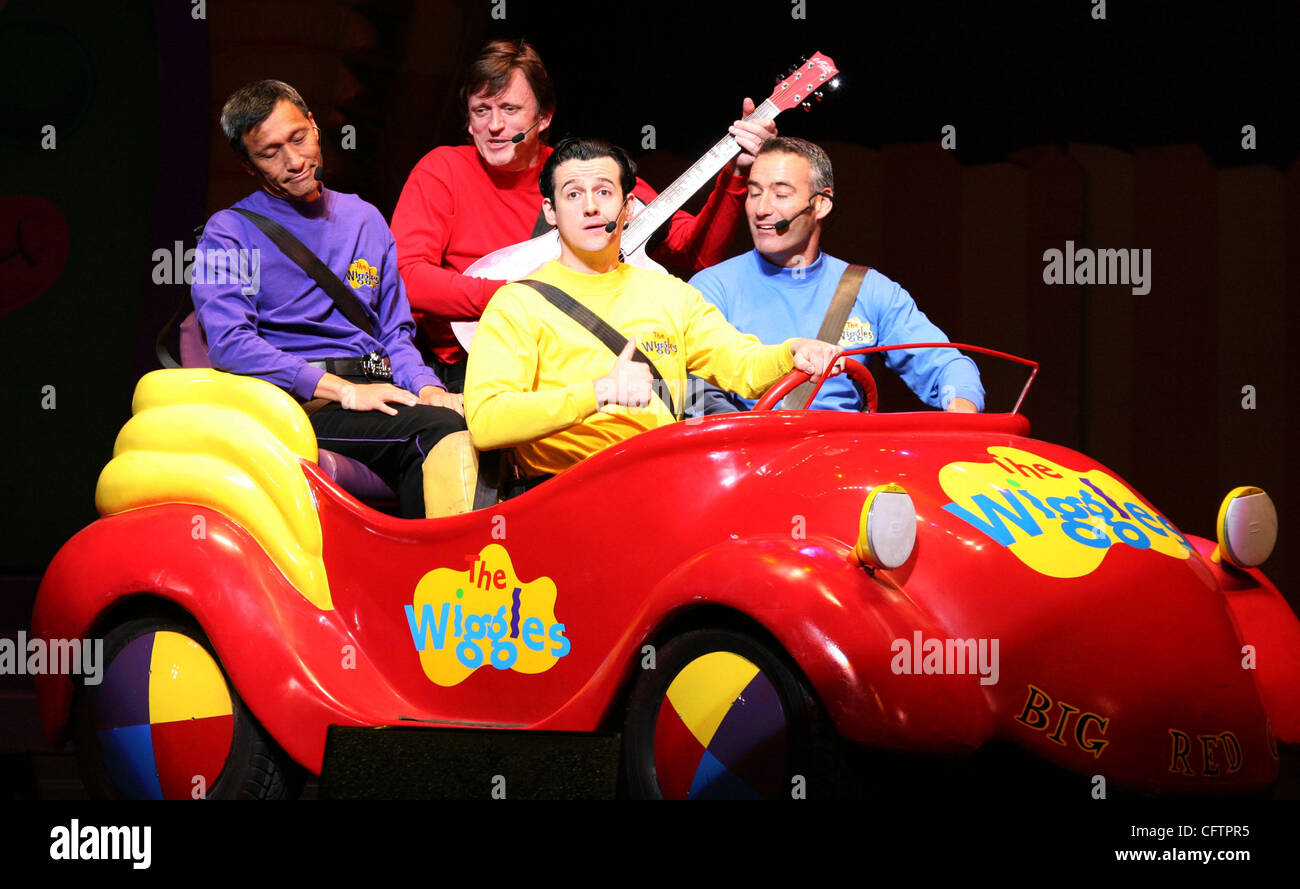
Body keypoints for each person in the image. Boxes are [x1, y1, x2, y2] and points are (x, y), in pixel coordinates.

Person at [390, 38, 778, 391]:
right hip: (475, 362)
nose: (493, 126)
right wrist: (528, 297)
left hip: (581, 359)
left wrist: (736, 174)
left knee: (695, 402)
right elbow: (408, 278)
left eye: (509, 109)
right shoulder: (443, 169)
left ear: (543, 118)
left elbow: (695, 255)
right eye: (481, 110)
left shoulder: (586, 174)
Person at [463, 137, 843, 483]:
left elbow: (741, 364)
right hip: (564, 491)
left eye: (604, 191)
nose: (591, 206)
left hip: (662, 486)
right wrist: (597, 393)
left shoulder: (668, 293)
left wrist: (792, 350)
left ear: (628, 207)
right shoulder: (518, 304)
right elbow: (487, 421)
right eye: (573, 194)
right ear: (550, 210)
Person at [191, 79, 466, 519]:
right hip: (304, 403)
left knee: (481, 420)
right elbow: (230, 344)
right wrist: (341, 391)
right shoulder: (228, 232)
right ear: (247, 165)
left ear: (315, 127)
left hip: (380, 386)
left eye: (298, 138)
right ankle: (425, 583)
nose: (295, 161)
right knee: (436, 431)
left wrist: (429, 388)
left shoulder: (365, 218)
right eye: (270, 152)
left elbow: (395, 333)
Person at [688, 137, 985, 414]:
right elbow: (689, 389)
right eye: (754, 193)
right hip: (748, 457)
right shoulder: (711, 289)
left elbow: (946, 365)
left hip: (840, 460)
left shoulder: (867, 289)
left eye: (780, 194)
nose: (762, 209)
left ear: (821, 204)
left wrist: (961, 411)